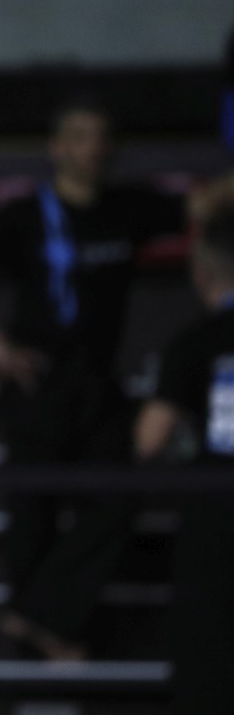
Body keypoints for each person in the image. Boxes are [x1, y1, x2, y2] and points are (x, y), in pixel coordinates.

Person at [0, 96, 187, 661]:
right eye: (78, 136)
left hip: (98, 380)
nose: (91, 148)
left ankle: (37, 615)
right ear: (56, 147)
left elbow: (203, 206)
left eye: (100, 137)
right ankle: (36, 626)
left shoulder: (128, 207)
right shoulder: (26, 214)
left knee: (119, 493)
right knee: (34, 509)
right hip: (36, 378)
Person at [135, 204, 234, 714]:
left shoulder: (194, 341)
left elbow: (151, 439)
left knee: (209, 647)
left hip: (216, 509)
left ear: (202, 271)